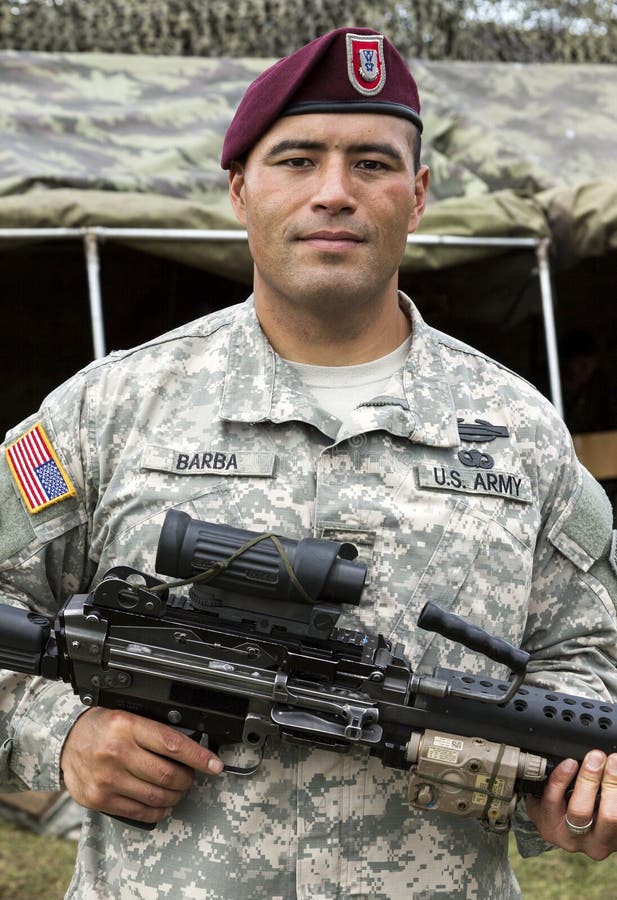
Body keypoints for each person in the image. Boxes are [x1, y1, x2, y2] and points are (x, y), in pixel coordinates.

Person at [0, 26, 616, 900]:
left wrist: (565, 791)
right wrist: (58, 733)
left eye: (371, 163)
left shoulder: (519, 428)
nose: (334, 193)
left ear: (419, 194)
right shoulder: (106, 411)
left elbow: (584, 654)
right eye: (296, 160)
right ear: (238, 190)